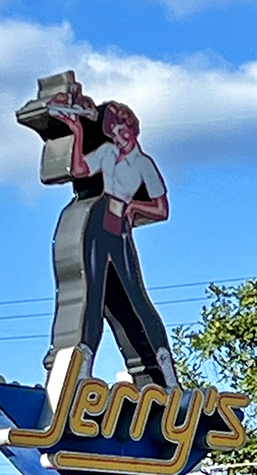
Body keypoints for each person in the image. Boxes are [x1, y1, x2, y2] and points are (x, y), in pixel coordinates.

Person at [45, 100, 178, 391]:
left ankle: (165, 375)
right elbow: (80, 170)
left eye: (126, 128)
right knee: (89, 294)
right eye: (116, 129)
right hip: (94, 225)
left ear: (133, 129)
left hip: (118, 230)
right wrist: (77, 130)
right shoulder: (106, 152)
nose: (122, 134)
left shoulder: (143, 164)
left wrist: (134, 207)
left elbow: (161, 209)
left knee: (135, 298)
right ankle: (75, 368)